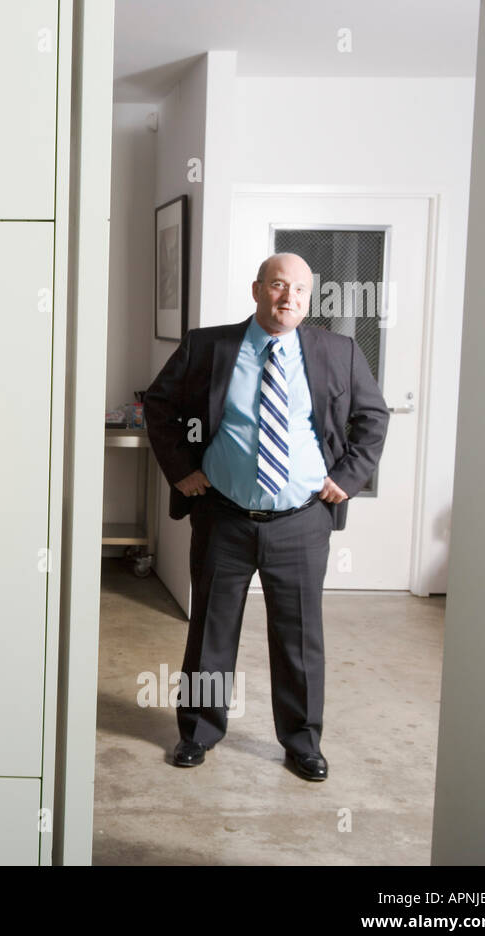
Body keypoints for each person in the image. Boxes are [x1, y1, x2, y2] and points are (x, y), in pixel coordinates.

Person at [143, 252, 389, 781]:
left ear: (309, 297)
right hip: (224, 517)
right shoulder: (208, 347)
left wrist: (346, 479)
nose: (289, 299)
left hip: (302, 521)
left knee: (299, 638)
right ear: (257, 290)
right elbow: (159, 406)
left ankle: (302, 742)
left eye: (300, 290)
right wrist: (182, 469)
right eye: (279, 286)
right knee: (211, 631)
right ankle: (199, 732)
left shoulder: (338, 352)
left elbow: (373, 417)